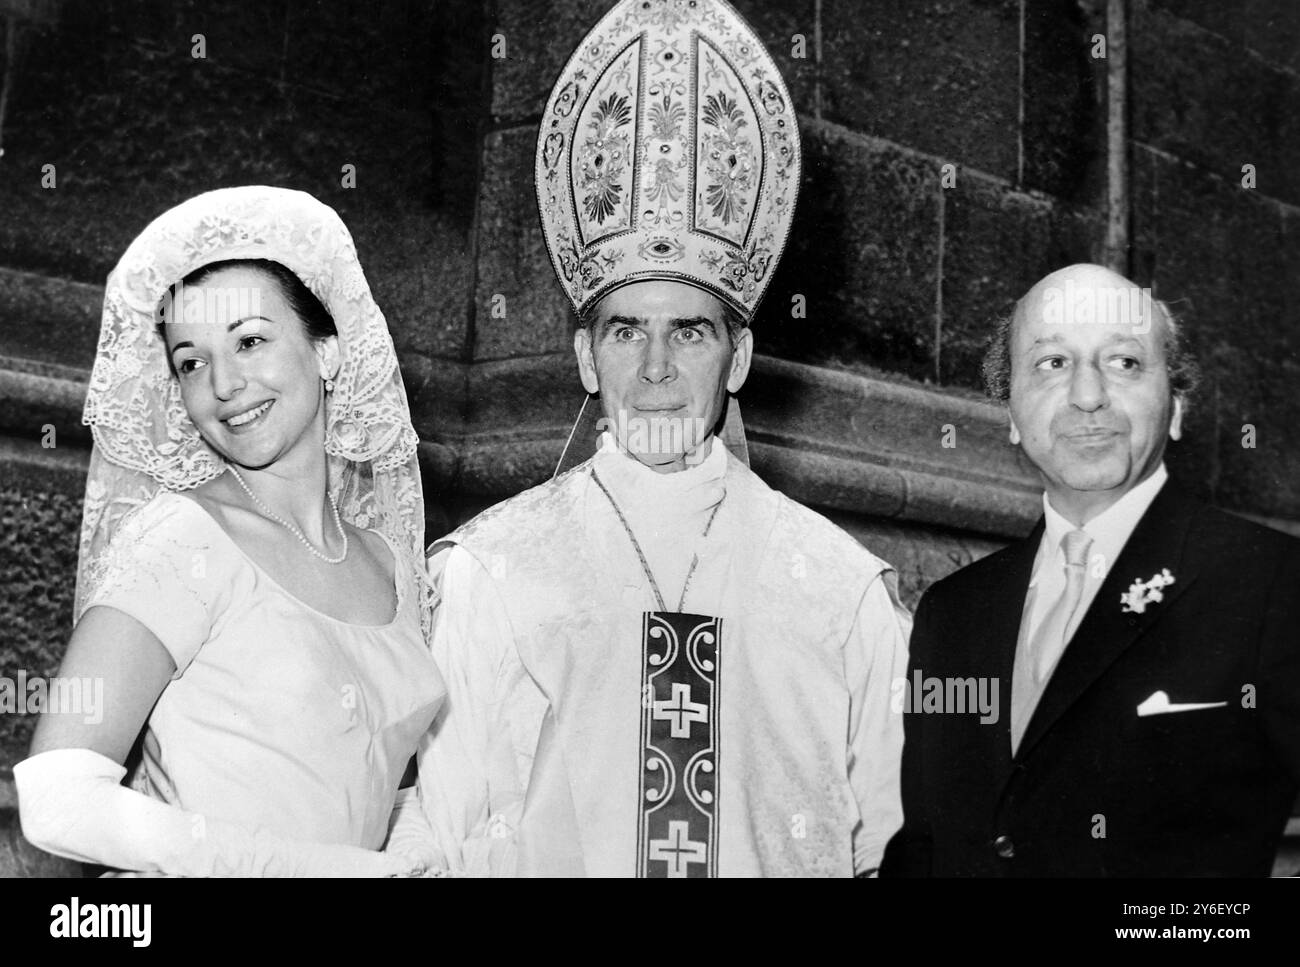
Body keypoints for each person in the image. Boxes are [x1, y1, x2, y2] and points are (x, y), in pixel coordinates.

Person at [400, 0, 912, 877]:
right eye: (627, 330)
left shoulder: (841, 592)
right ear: (586, 358)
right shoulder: (492, 571)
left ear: (740, 355)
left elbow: (887, 847)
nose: (657, 368)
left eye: (691, 332)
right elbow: (442, 833)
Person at [14, 186, 446, 877]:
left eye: (250, 340)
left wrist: (415, 846)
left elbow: (373, 779)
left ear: (328, 351)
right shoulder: (180, 539)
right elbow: (55, 797)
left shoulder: (390, 557)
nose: (223, 383)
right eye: (191, 361)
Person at [881, 262, 1300, 877]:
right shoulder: (953, 611)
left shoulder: (1271, 584)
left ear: (1178, 406)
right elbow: (923, 848)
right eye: (1052, 363)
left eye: (1124, 363)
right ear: (1013, 418)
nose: (1087, 395)